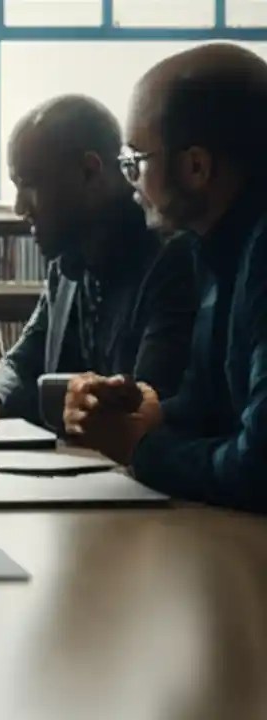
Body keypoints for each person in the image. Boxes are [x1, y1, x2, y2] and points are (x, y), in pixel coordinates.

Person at [64, 42, 267, 513]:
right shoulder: (210, 247)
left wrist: (141, 448)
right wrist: (127, 413)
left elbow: (258, 465)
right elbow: (206, 409)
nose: (130, 180)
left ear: (196, 166)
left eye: (136, 160)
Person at [0, 95, 198, 436]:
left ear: (89, 171)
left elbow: (142, 410)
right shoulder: (67, 262)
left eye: (29, 185)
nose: (18, 208)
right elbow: (25, 359)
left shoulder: (170, 261)